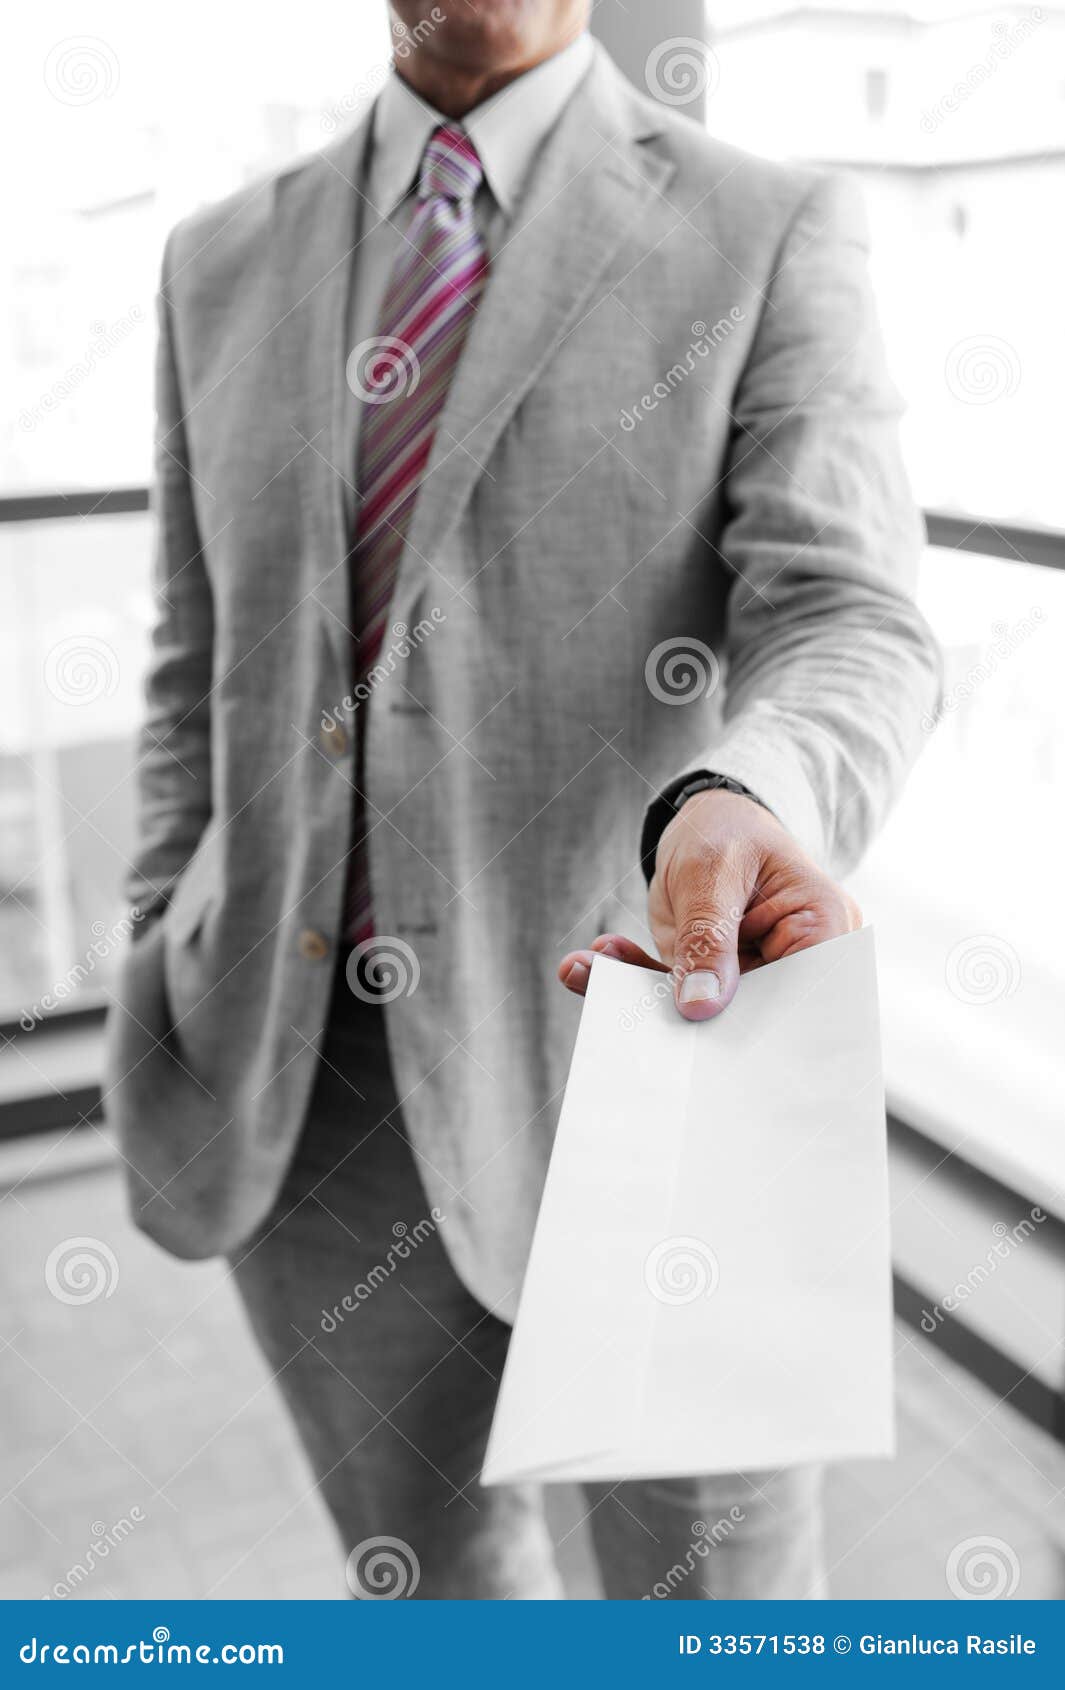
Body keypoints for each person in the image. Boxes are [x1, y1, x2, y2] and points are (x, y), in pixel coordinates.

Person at [105, 0, 940, 1599]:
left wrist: (747, 789)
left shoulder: (765, 226)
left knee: (708, 1621)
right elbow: (191, 653)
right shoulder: (215, 258)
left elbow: (848, 616)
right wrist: (160, 925)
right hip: (310, 1101)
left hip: (657, 1051)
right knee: (429, 1595)